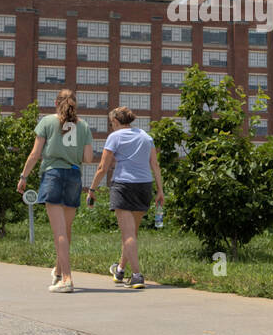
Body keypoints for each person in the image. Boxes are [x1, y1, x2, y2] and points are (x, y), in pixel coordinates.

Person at [17, 90, 93, 293]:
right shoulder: (83, 125)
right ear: (74, 104)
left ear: (55, 102)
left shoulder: (47, 122)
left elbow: (35, 153)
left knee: (59, 232)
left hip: (53, 175)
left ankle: (67, 279)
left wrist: (24, 176)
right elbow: (88, 158)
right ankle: (58, 272)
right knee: (66, 231)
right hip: (74, 176)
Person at [88, 107, 164, 290]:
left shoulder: (115, 136)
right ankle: (121, 270)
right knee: (131, 233)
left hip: (124, 185)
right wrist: (160, 190)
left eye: (111, 123)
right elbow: (154, 164)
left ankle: (137, 276)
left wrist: (92, 189)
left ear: (115, 121)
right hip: (144, 185)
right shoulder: (146, 136)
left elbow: (102, 167)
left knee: (128, 234)